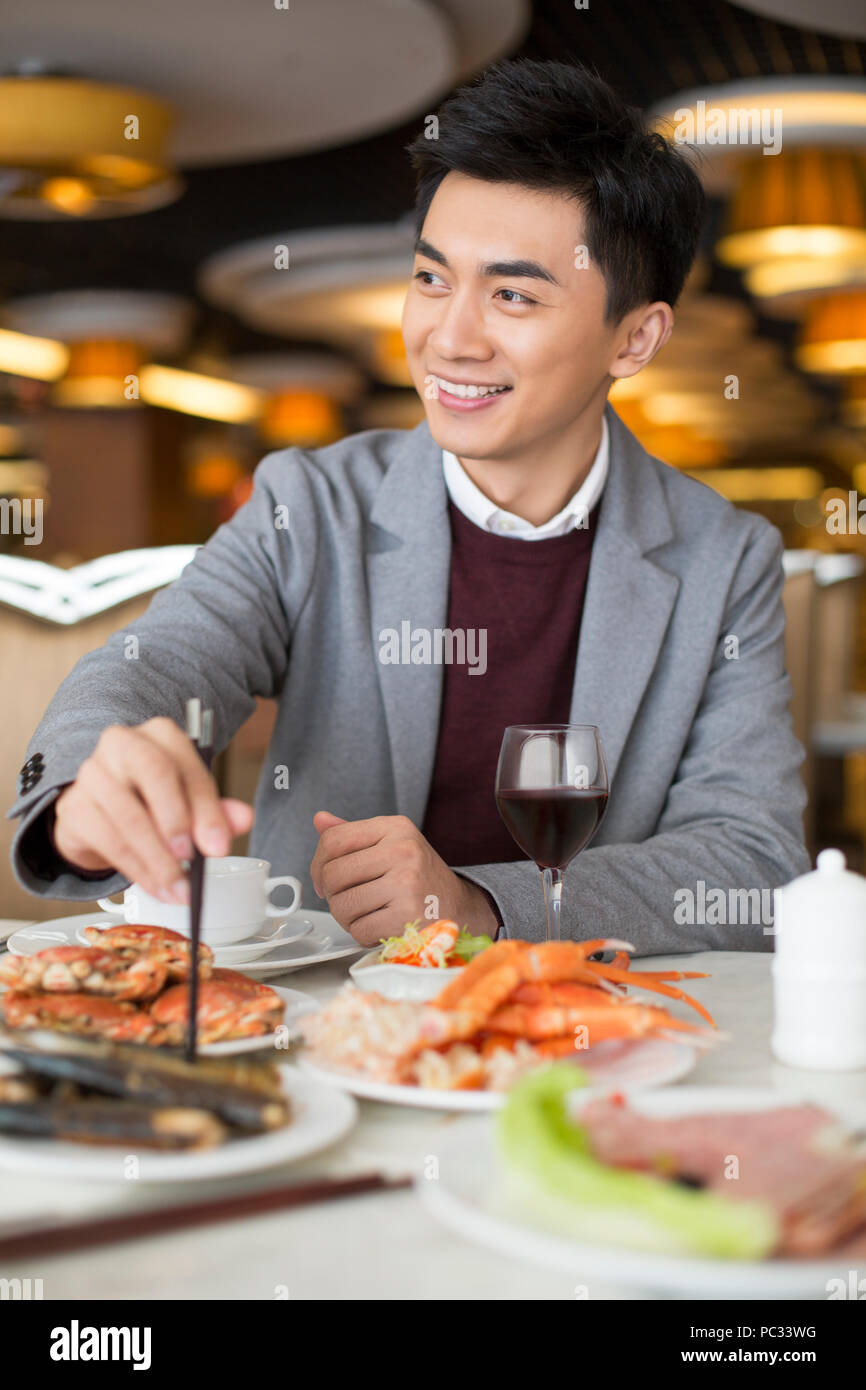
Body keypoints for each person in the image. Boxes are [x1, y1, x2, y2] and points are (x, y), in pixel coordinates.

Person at [8, 60, 809, 952]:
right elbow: (157, 662)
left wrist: (481, 905)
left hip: (579, 1029)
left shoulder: (722, 556)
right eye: (432, 279)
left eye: (511, 294)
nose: (450, 338)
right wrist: (84, 790)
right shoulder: (310, 503)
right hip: (319, 1022)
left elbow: (754, 863)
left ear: (636, 338)